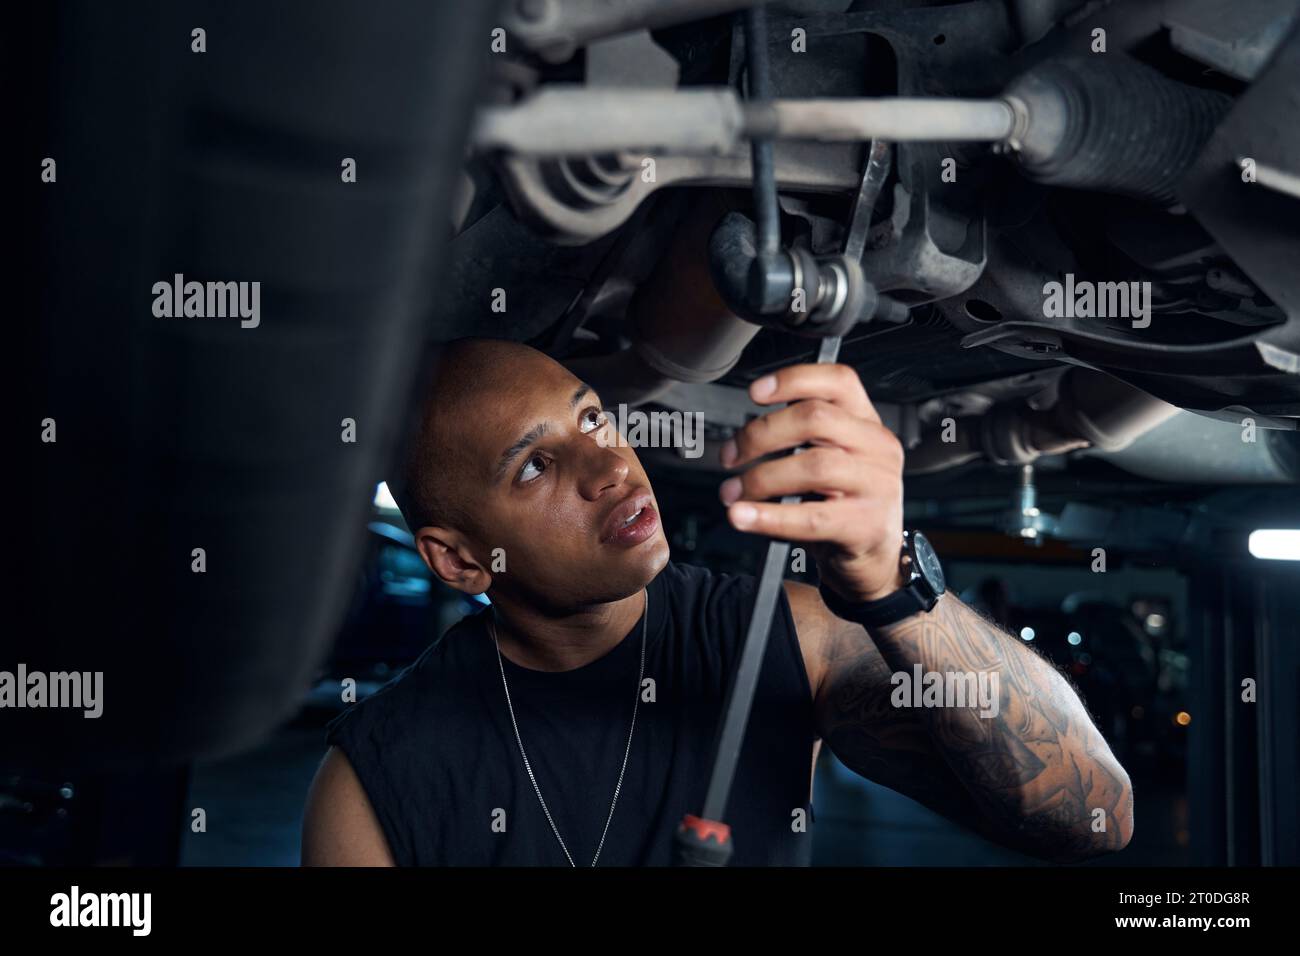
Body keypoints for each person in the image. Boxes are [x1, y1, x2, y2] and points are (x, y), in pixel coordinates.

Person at [301, 337, 1133, 866]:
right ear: (458, 560)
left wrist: (891, 586)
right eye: (534, 466)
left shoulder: (776, 634)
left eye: (593, 419)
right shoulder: (376, 777)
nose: (609, 469)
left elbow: (1094, 816)